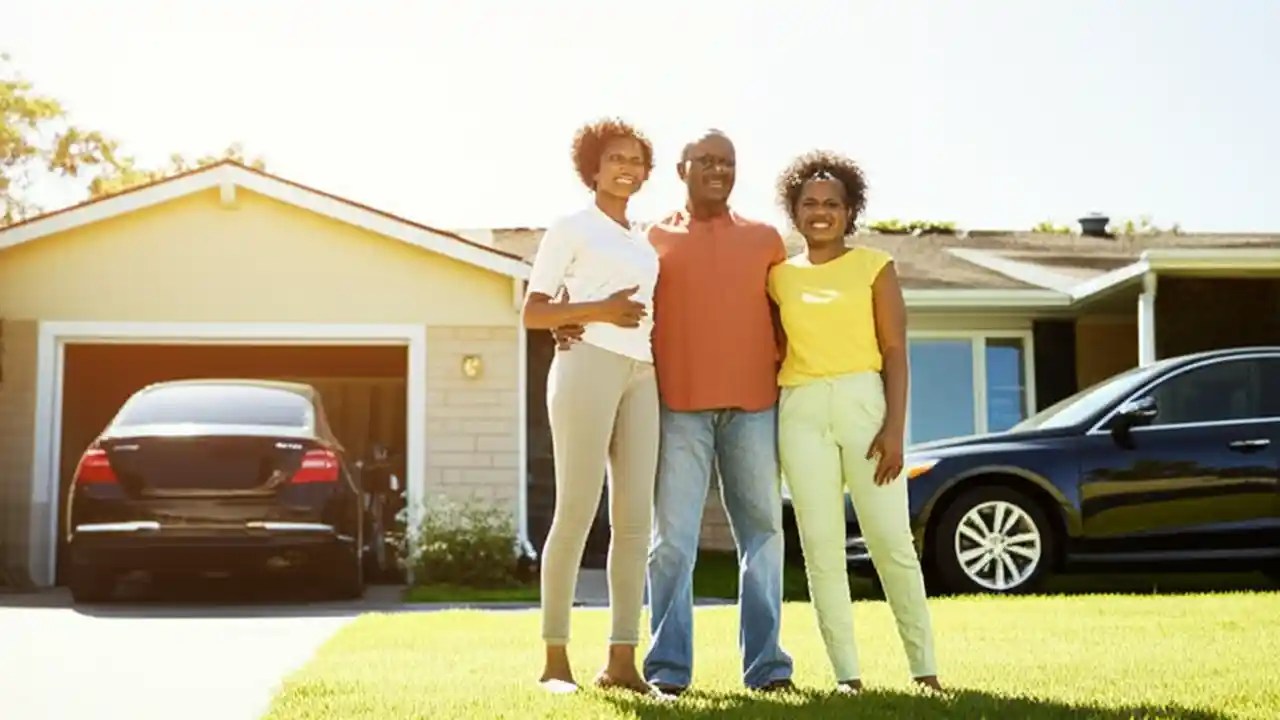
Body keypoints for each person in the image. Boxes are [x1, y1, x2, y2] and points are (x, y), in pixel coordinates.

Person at [557, 129, 796, 694]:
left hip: (754, 408)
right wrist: (570, 323)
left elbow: (789, 316)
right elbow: (611, 296)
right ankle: (668, 669)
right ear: (682, 169)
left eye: (728, 162)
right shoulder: (650, 240)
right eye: (706, 161)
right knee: (671, 544)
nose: (718, 170)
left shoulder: (766, 239)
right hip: (678, 407)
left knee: (763, 536)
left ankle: (767, 669)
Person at [767, 150, 943, 694]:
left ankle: (926, 670)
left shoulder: (874, 266)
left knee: (891, 541)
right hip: (799, 411)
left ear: (850, 211)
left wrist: (894, 430)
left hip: (865, 407)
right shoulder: (777, 277)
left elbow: (895, 350)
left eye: (832, 204)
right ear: (794, 211)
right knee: (820, 549)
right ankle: (848, 676)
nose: (821, 212)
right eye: (810, 203)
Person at [522, 118, 662, 695]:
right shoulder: (570, 227)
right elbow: (533, 312)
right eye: (615, 159)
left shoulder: (645, 238)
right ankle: (555, 662)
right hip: (587, 365)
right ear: (593, 167)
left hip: (643, 373)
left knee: (633, 523)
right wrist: (599, 310)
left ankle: (622, 664)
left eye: (636, 160)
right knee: (576, 511)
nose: (626, 167)